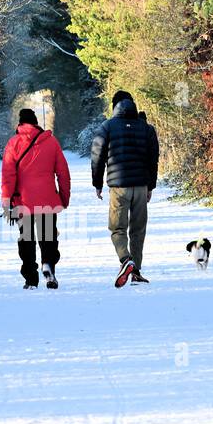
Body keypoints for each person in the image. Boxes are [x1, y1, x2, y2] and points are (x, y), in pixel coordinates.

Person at [90, 90, 160, 287]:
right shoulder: (146, 128)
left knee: (117, 228)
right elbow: (153, 159)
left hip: (118, 187)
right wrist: (150, 186)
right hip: (140, 186)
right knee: (138, 230)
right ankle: (135, 270)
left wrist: (97, 183)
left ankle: (125, 259)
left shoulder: (107, 127)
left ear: (114, 106)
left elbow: (97, 156)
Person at [1, 108, 71, 289]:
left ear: (20, 124)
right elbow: (63, 173)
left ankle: (31, 278)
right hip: (46, 199)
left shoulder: (13, 143)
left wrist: (6, 201)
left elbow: (8, 174)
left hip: (22, 201)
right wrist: (64, 197)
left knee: (26, 239)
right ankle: (48, 264)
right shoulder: (51, 142)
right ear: (36, 122)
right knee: (48, 237)